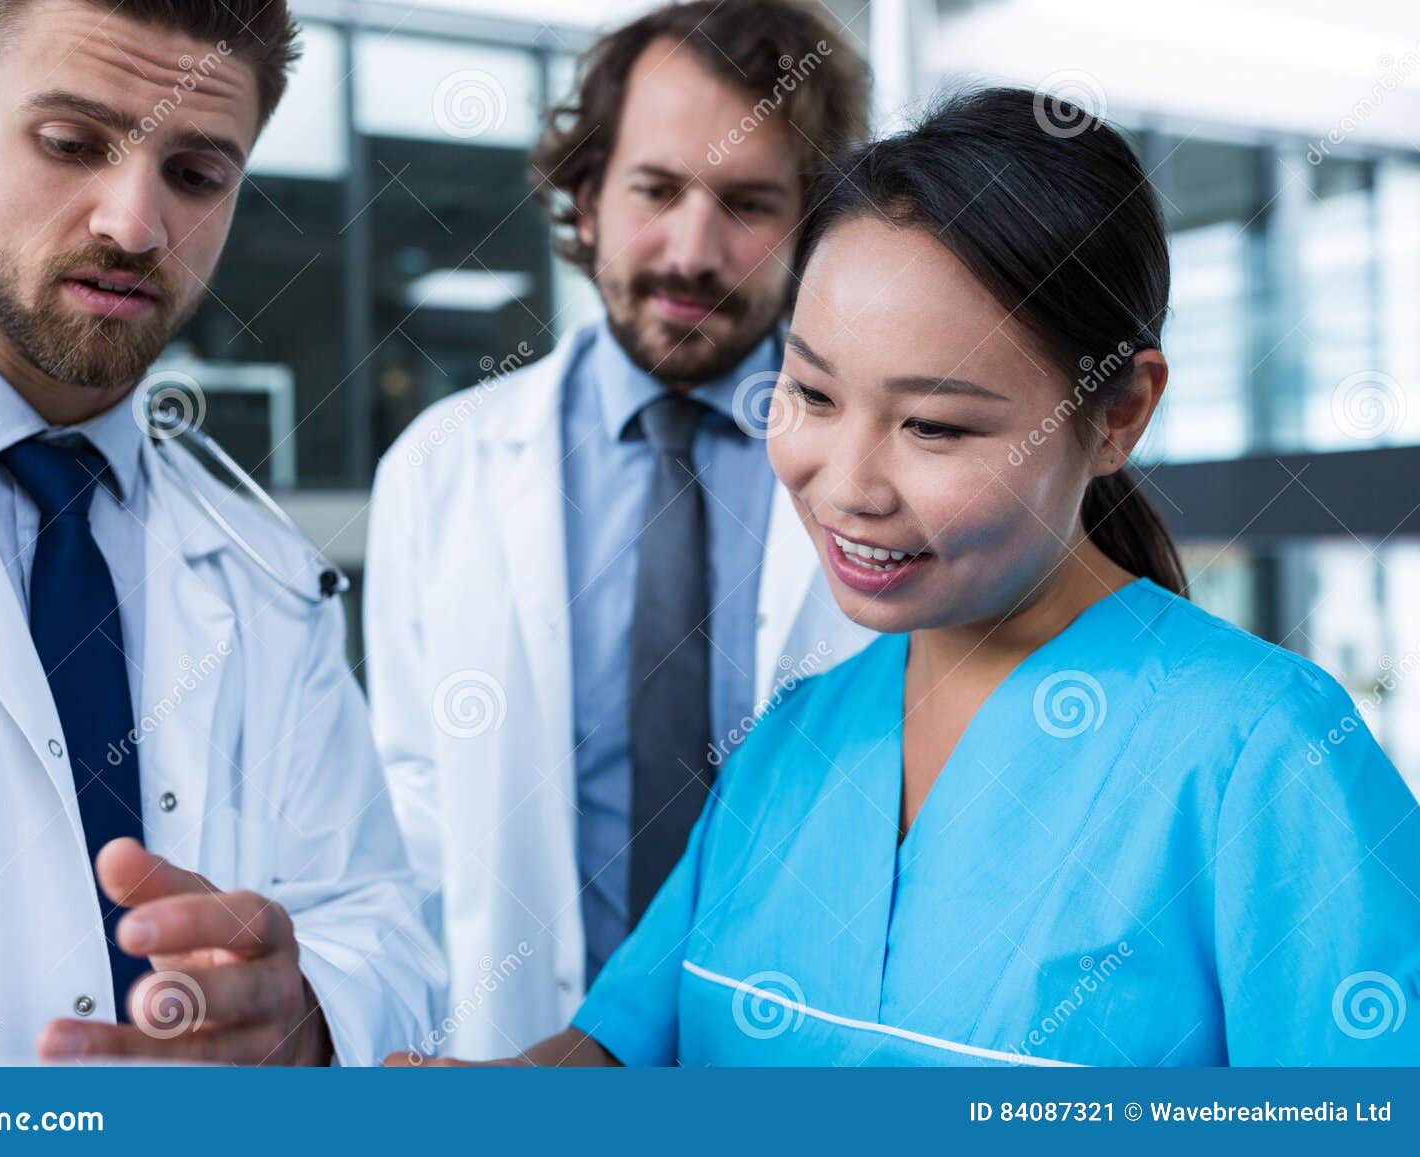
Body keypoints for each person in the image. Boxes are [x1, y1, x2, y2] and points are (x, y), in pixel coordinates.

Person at [401, 88, 1420, 1068]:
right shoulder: (794, 739)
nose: (846, 486)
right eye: (810, 393)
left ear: (1118, 414)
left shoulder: (1266, 755)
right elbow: (623, 1048)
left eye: (933, 426)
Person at [0, 0, 442, 1065]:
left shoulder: (266, 570)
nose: (135, 225)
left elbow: (379, 926)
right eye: (72, 144)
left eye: (195, 174)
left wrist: (305, 1016)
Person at [363, 0, 874, 1059]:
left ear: (810, 225)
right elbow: (412, 810)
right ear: (588, 196)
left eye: (748, 203)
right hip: (520, 1052)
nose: (692, 251)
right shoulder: (440, 465)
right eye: (656, 189)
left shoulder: (874, 475)